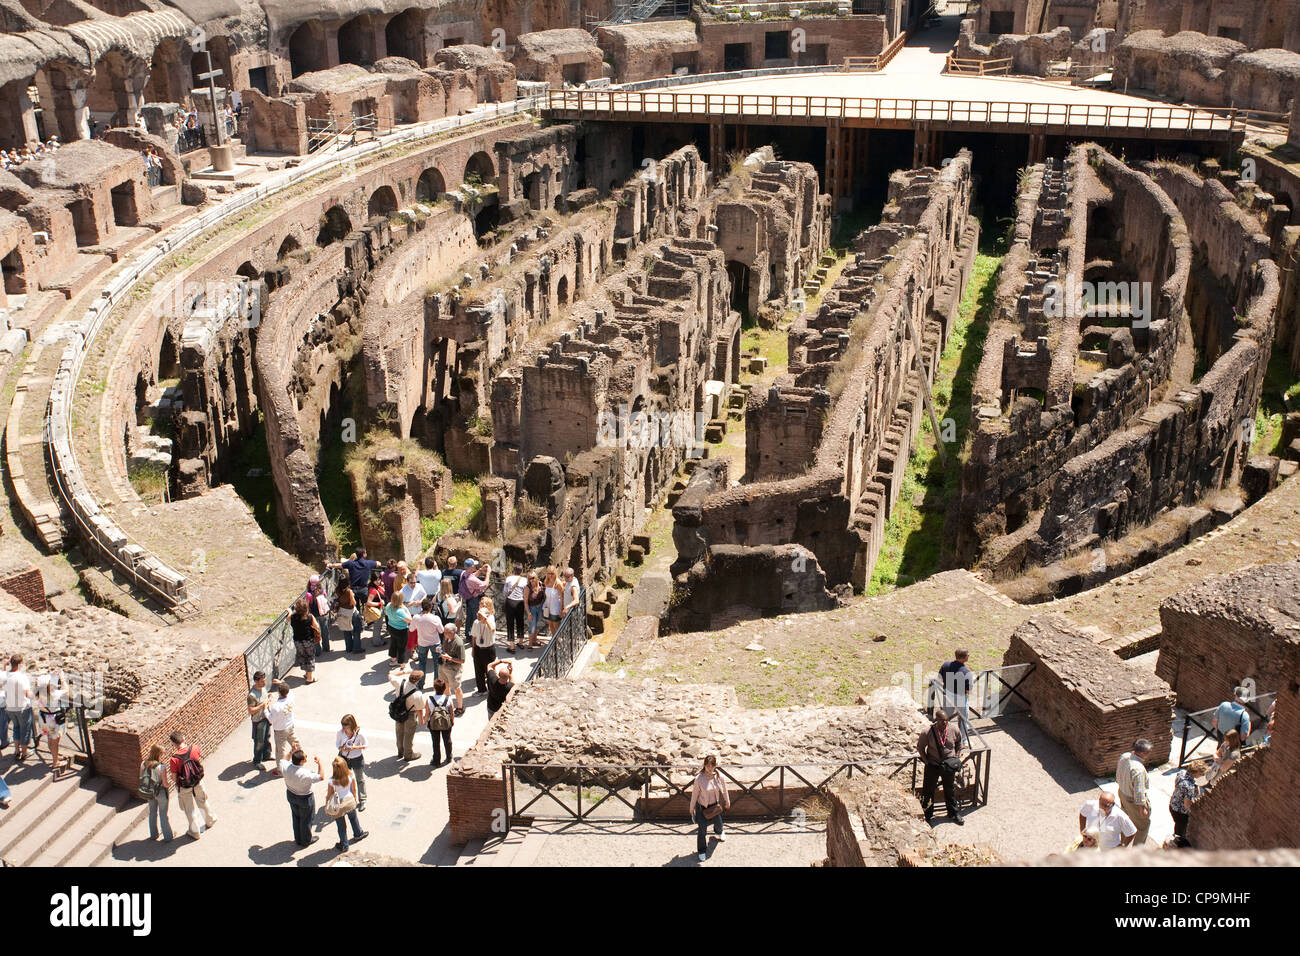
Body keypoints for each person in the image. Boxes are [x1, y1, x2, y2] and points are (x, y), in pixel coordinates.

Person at [917, 710, 964, 825]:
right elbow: (920, 747)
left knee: (950, 790)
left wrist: (957, 756)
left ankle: (953, 813)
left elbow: (959, 743)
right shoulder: (927, 732)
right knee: (928, 791)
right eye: (942, 721)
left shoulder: (953, 729)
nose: (945, 723)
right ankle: (927, 816)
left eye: (946, 720)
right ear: (936, 721)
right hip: (933, 765)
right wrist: (927, 762)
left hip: (948, 765)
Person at [168, 731, 216, 839]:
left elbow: (174, 777)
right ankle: (210, 820)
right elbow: (197, 759)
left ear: (174, 744)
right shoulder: (194, 748)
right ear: (183, 738)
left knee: (189, 809)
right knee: (202, 801)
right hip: (197, 781)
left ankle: (195, 831)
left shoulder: (174, 759)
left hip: (184, 786)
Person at [333, 548, 379, 648]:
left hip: (353, 590)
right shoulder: (368, 563)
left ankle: (358, 625)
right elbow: (378, 563)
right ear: (364, 554)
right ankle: (370, 622)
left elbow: (339, 565)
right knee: (369, 605)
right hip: (363, 589)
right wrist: (377, 563)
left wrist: (330, 565)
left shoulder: (351, 563)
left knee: (355, 608)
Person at [688, 754, 729, 862]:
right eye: (708, 766)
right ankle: (702, 850)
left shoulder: (719, 776)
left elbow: (724, 790)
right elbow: (694, 795)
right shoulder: (699, 779)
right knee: (702, 831)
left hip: (715, 806)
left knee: (719, 825)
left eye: (712, 766)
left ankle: (719, 832)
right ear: (704, 765)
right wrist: (691, 808)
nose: (710, 768)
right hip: (702, 808)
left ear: (715, 766)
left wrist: (727, 801)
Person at [280, 749, 322, 848]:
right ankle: (306, 840)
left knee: (296, 817)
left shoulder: (286, 767)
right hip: (305, 798)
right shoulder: (305, 773)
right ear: (301, 761)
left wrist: (291, 752)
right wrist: (319, 763)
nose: (306, 757)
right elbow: (321, 776)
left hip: (291, 794)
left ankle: (298, 839)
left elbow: (283, 760)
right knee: (306, 820)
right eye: (305, 756)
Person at [1116, 739, 1153, 847]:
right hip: (1132, 800)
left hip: (1122, 792)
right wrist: (1142, 808)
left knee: (1126, 820)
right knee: (1143, 826)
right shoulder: (1138, 769)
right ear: (1142, 753)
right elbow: (1139, 791)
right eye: (1148, 752)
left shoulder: (1125, 756)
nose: (1149, 754)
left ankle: (1121, 843)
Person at [325, 756, 367, 852]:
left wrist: (326, 806)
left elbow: (329, 795)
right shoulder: (350, 775)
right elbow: (354, 789)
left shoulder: (332, 781)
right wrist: (355, 799)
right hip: (350, 801)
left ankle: (344, 844)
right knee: (353, 818)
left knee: (341, 826)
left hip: (339, 805)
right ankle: (358, 834)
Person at [33, 667, 69, 776]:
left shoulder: (37, 693)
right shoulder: (53, 694)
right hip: (52, 720)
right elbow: (66, 689)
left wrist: (51, 675)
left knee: (50, 738)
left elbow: (40, 685)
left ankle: (55, 756)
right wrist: (62, 679)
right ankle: (55, 762)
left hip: (43, 719)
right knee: (54, 740)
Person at [388, 665, 424, 763]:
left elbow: (390, 674)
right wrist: (421, 720)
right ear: (418, 680)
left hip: (398, 711)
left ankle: (400, 751)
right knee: (408, 734)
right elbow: (419, 709)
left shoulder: (400, 682)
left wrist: (404, 672)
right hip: (410, 714)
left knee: (399, 732)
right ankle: (408, 754)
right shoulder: (417, 694)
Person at [937, 648, 973, 739]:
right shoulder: (966, 672)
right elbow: (968, 691)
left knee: (945, 718)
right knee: (963, 720)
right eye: (968, 655)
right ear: (964, 657)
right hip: (960, 697)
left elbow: (939, 679)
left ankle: (942, 737)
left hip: (948, 695)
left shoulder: (946, 665)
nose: (969, 656)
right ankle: (963, 740)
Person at [139, 745, 173, 842]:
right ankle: (168, 837)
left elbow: (140, 777)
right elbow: (165, 783)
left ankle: (154, 835)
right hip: (160, 792)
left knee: (152, 813)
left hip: (149, 791)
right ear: (159, 754)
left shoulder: (143, 764)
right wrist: (169, 784)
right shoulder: (161, 767)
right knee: (163, 814)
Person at [1169, 759, 1208, 838]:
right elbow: (1187, 805)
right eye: (1201, 773)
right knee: (1180, 832)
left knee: (1178, 826)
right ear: (1196, 772)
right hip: (1180, 812)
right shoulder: (1189, 786)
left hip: (1173, 804)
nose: (1201, 775)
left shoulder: (1181, 773)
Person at [336, 714, 368, 810]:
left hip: (357, 758)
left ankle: (362, 800)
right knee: (345, 780)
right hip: (344, 758)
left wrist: (354, 747)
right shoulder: (340, 732)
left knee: (360, 780)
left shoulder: (359, 733)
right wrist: (343, 748)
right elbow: (337, 744)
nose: (344, 727)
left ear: (351, 724)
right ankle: (349, 799)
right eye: (343, 725)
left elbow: (365, 745)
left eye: (346, 725)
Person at [266, 681, 300, 772]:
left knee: (280, 750)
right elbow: (289, 691)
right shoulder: (291, 698)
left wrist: (265, 708)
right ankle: (300, 759)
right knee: (295, 742)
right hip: (290, 725)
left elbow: (271, 719)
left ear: (278, 692)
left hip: (280, 730)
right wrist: (281, 683)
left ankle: (281, 770)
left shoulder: (276, 706)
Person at [4, 656, 32, 762]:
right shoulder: (22, 677)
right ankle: (24, 753)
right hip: (22, 707)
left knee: (16, 728)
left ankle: (17, 751)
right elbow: (27, 693)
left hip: (9, 707)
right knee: (25, 730)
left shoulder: (5, 675)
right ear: (20, 664)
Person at [424, 678, 455, 766]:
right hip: (446, 723)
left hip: (433, 724)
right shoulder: (448, 699)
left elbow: (427, 713)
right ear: (445, 688)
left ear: (434, 688)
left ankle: (436, 760)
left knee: (435, 742)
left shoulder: (429, 699)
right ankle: (449, 757)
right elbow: (452, 711)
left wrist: (424, 721)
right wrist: (452, 721)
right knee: (447, 739)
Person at [412, 596, 444, 680]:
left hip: (422, 643)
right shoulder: (436, 618)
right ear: (431, 607)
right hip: (436, 643)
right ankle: (437, 682)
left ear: (422, 607)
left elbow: (411, 629)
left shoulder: (416, 617)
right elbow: (441, 631)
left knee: (422, 663)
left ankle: (420, 683)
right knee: (438, 663)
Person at [289, 597, 320, 684]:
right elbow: (316, 626)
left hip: (298, 641)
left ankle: (307, 673)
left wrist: (290, 612)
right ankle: (309, 678)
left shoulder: (293, 617)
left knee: (302, 656)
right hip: (308, 640)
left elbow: (288, 619)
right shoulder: (310, 617)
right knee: (310, 657)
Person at [471, 597, 497, 695]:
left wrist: (485, 618)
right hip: (478, 648)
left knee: (490, 671)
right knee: (478, 671)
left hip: (488, 649)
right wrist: (473, 649)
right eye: (480, 604)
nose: (480, 607)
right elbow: (474, 636)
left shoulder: (491, 618)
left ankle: (492, 691)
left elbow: (492, 629)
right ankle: (481, 690)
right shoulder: (476, 622)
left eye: (483, 605)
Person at [247, 670, 272, 771]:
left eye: (264, 680)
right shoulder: (252, 696)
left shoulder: (263, 688)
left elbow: (264, 698)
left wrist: (269, 697)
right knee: (259, 742)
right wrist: (263, 704)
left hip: (265, 717)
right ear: (256, 681)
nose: (264, 683)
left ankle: (267, 755)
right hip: (258, 721)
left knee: (267, 737)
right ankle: (257, 761)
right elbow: (251, 711)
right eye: (262, 681)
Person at [438, 625, 465, 716]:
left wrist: (450, 658)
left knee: (456, 688)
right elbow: (444, 648)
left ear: (452, 632)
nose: (444, 633)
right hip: (444, 666)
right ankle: (449, 705)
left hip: (453, 669)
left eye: (446, 632)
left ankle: (460, 708)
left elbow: (462, 660)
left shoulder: (459, 643)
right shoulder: (446, 638)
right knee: (445, 686)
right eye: (444, 632)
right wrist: (440, 651)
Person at [502, 565, 528, 653]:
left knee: (510, 623)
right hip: (520, 603)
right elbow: (526, 592)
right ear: (521, 571)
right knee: (520, 622)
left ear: (513, 570)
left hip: (510, 602)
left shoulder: (508, 578)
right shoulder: (524, 580)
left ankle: (512, 646)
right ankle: (520, 642)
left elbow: (505, 591)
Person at [384, 589, 413, 667]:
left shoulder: (388, 605)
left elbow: (386, 613)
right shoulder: (400, 611)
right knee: (401, 647)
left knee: (393, 643)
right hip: (401, 631)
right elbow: (410, 620)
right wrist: (406, 609)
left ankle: (393, 659)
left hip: (391, 627)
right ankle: (401, 662)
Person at [334, 583, 361, 655]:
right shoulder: (349, 591)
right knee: (356, 629)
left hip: (342, 611)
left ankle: (349, 648)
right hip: (351, 612)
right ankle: (357, 648)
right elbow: (354, 603)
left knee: (346, 630)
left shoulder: (337, 590)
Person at [365, 570, 387, 647]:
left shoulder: (375, 587)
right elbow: (368, 602)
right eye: (376, 580)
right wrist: (379, 603)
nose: (378, 581)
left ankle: (376, 639)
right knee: (378, 626)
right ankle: (377, 642)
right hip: (377, 610)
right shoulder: (373, 590)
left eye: (379, 579)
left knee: (378, 626)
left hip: (378, 609)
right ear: (373, 580)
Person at [525, 570, 546, 648]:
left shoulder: (540, 584)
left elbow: (545, 596)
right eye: (530, 578)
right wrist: (528, 613)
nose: (531, 580)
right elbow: (525, 602)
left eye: (533, 578)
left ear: (536, 577)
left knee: (537, 625)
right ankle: (530, 644)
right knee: (532, 626)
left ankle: (534, 640)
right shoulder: (527, 588)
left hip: (540, 607)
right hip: (532, 609)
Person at [543, 567, 563, 636]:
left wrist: (561, 609)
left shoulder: (558, 583)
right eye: (549, 573)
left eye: (552, 573)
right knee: (550, 625)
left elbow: (561, 597)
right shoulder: (546, 582)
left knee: (556, 626)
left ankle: (558, 642)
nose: (550, 575)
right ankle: (554, 642)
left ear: (555, 574)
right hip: (547, 607)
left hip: (555, 607)